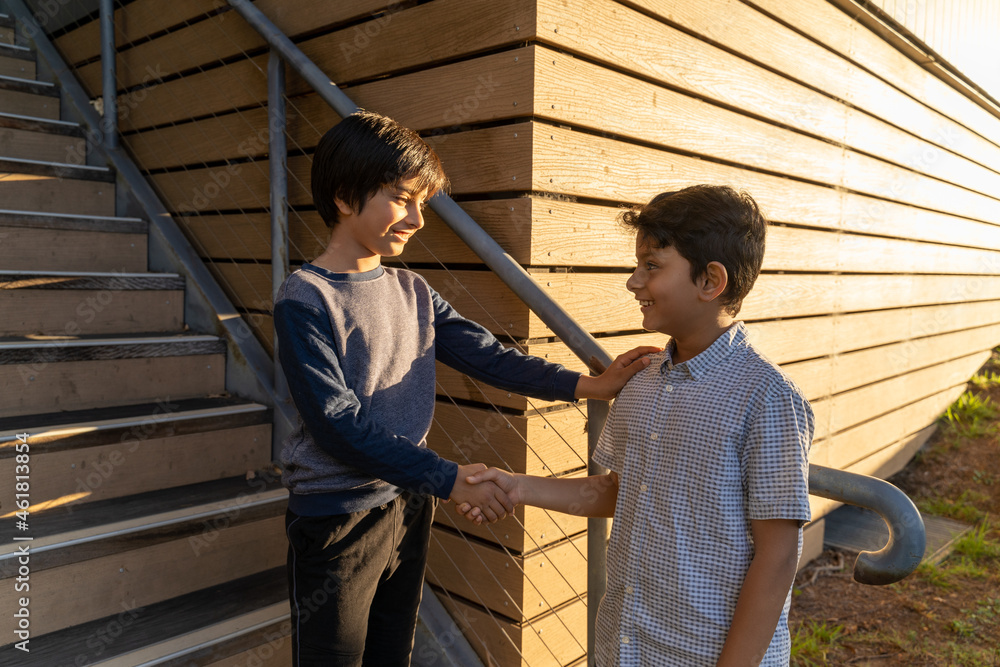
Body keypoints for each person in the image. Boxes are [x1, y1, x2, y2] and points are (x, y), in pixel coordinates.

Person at [273, 109, 658, 666]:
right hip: (336, 517)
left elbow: (488, 356)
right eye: (403, 198)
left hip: (407, 502)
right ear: (342, 196)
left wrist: (588, 385)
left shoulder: (412, 289)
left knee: (391, 654)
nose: (416, 219)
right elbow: (337, 426)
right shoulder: (304, 298)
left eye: (422, 204)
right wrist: (450, 478)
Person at [460, 185, 814, 666]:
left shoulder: (767, 398)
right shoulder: (642, 382)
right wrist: (517, 487)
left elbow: (777, 556)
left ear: (711, 280)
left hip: (704, 655)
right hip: (626, 645)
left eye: (651, 266)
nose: (633, 282)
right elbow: (617, 490)